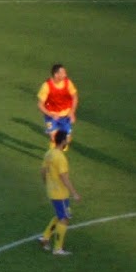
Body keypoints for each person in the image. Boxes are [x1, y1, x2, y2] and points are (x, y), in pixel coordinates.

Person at [39, 128, 80, 256]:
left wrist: (46, 183)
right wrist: (74, 193)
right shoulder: (61, 158)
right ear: (63, 141)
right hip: (60, 193)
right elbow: (64, 177)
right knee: (64, 219)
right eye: (67, 139)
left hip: (52, 190)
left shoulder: (49, 153)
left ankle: (45, 237)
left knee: (60, 215)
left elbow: (43, 171)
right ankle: (57, 249)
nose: (68, 141)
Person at [37, 63, 79, 139]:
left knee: (66, 140)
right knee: (54, 138)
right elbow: (40, 104)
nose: (65, 75)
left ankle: (59, 148)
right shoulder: (46, 86)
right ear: (56, 75)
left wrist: (72, 112)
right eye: (63, 73)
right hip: (52, 116)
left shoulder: (68, 83)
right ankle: (54, 149)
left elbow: (75, 97)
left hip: (65, 115)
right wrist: (51, 114)